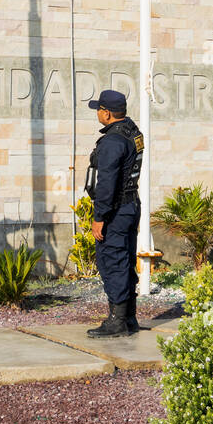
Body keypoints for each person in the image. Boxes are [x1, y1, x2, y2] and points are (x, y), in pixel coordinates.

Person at [83, 88, 145, 337]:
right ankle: (129, 318)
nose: (97, 112)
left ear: (107, 113)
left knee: (113, 262)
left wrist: (99, 217)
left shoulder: (112, 141)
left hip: (115, 211)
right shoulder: (132, 131)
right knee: (126, 260)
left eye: (99, 109)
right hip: (130, 206)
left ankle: (117, 322)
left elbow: (107, 182)